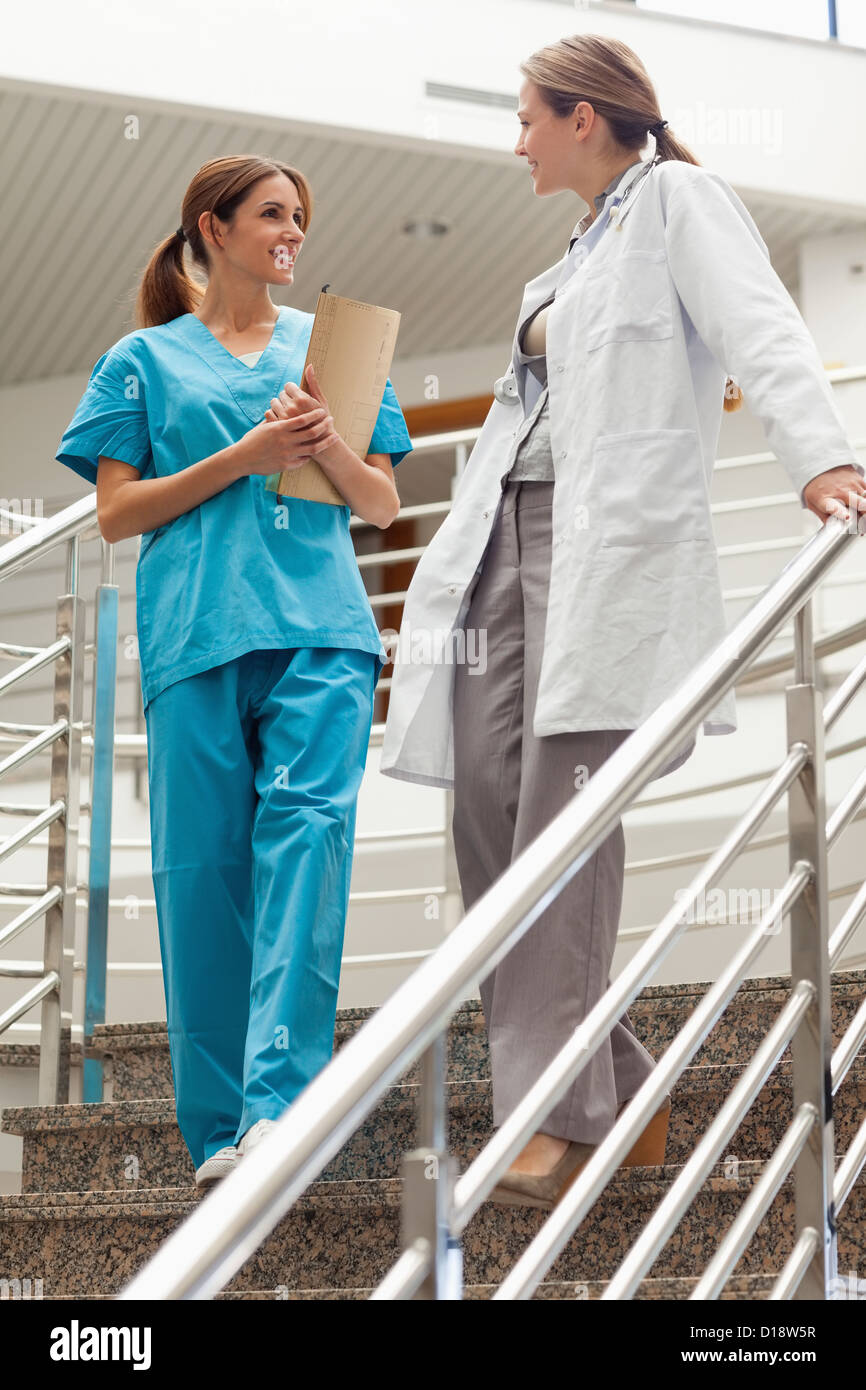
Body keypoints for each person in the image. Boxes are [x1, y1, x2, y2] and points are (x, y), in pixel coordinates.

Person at [379, 34, 866, 1210]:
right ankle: (620, 1090)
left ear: (584, 117)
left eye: (528, 118)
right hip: (499, 540)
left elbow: (762, 328)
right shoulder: (559, 261)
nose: (516, 139)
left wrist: (823, 462)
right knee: (488, 816)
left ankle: (550, 1120)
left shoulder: (679, 203)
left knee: (562, 814)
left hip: (602, 555)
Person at [55, 154, 413, 1187]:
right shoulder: (140, 361)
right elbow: (119, 512)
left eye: (299, 216)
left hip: (320, 634)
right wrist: (242, 457)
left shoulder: (336, 347)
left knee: (306, 841)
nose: (291, 232)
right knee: (202, 877)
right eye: (271, 215)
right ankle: (217, 1134)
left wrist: (323, 445)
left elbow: (379, 504)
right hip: (194, 641)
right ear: (211, 229)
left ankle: (283, 1108)